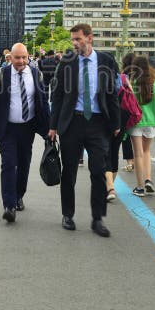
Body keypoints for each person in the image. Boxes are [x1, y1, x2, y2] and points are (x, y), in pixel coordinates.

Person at [48, 23, 119, 237]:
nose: (75, 43)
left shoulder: (106, 61)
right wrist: (53, 126)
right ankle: (67, 215)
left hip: (98, 123)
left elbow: (113, 93)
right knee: (69, 171)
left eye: (78, 39)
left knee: (98, 171)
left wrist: (116, 123)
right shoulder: (68, 62)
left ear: (90, 38)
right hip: (73, 122)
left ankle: (97, 219)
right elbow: (58, 94)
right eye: (73, 40)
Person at [0, 43, 49, 223]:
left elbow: (43, 103)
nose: (21, 61)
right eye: (17, 58)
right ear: (10, 57)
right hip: (7, 128)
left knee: (24, 164)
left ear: (28, 57)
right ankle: (9, 206)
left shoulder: (36, 74)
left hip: (28, 128)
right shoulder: (2, 74)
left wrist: (50, 128)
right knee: (9, 164)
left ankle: (18, 196)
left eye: (24, 57)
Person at [128, 55, 155, 197]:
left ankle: (139, 187)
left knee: (137, 153)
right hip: (151, 123)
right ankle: (148, 180)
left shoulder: (132, 84)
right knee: (146, 152)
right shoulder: (152, 84)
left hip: (136, 122)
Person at [107, 53, 135, 199]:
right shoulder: (122, 78)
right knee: (114, 151)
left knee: (105, 151)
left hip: (106, 118)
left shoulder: (101, 78)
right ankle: (111, 186)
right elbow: (131, 96)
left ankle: (109, 187)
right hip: (122, 116)